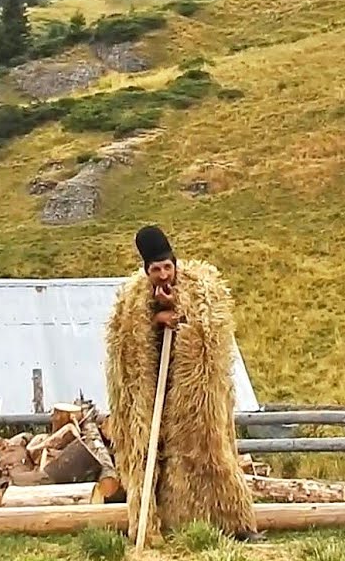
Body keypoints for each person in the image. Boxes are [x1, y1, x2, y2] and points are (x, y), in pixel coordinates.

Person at [103, 225, 261, 546]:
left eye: (167, 267)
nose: (163, 275)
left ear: (174, 263)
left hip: (194, 395)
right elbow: (124, 345)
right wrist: (154, 319)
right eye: (155, 270)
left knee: (210, 454)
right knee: (151, 459)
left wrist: (180, 309)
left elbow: (212, 330)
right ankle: (158, 526)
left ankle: (235, 523)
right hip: (151, 394)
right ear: (146, 270)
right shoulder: (132, 299)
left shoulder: (201, 287)